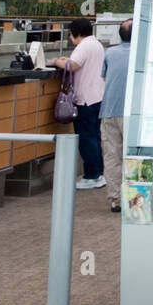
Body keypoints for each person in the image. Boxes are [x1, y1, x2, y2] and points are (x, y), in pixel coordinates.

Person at [54, 18, 107, 190]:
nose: (70, 38)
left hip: (86, 99)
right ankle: (98, 173)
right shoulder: (96, 44)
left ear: (76, 33)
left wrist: (56, 61)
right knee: (95, 137)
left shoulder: (83, 46)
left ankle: (92, 175)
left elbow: (73, 65)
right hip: (97, 96)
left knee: (87, 138)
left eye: (71, 34)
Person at [101, 18, 132, 214]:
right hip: (132, 114)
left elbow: (104, 77)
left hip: (109, 110)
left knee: (112, 156)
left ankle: (116, 200)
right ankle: (135, 196)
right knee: (132, 156)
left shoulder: (110, 53)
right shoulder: (142, 54)